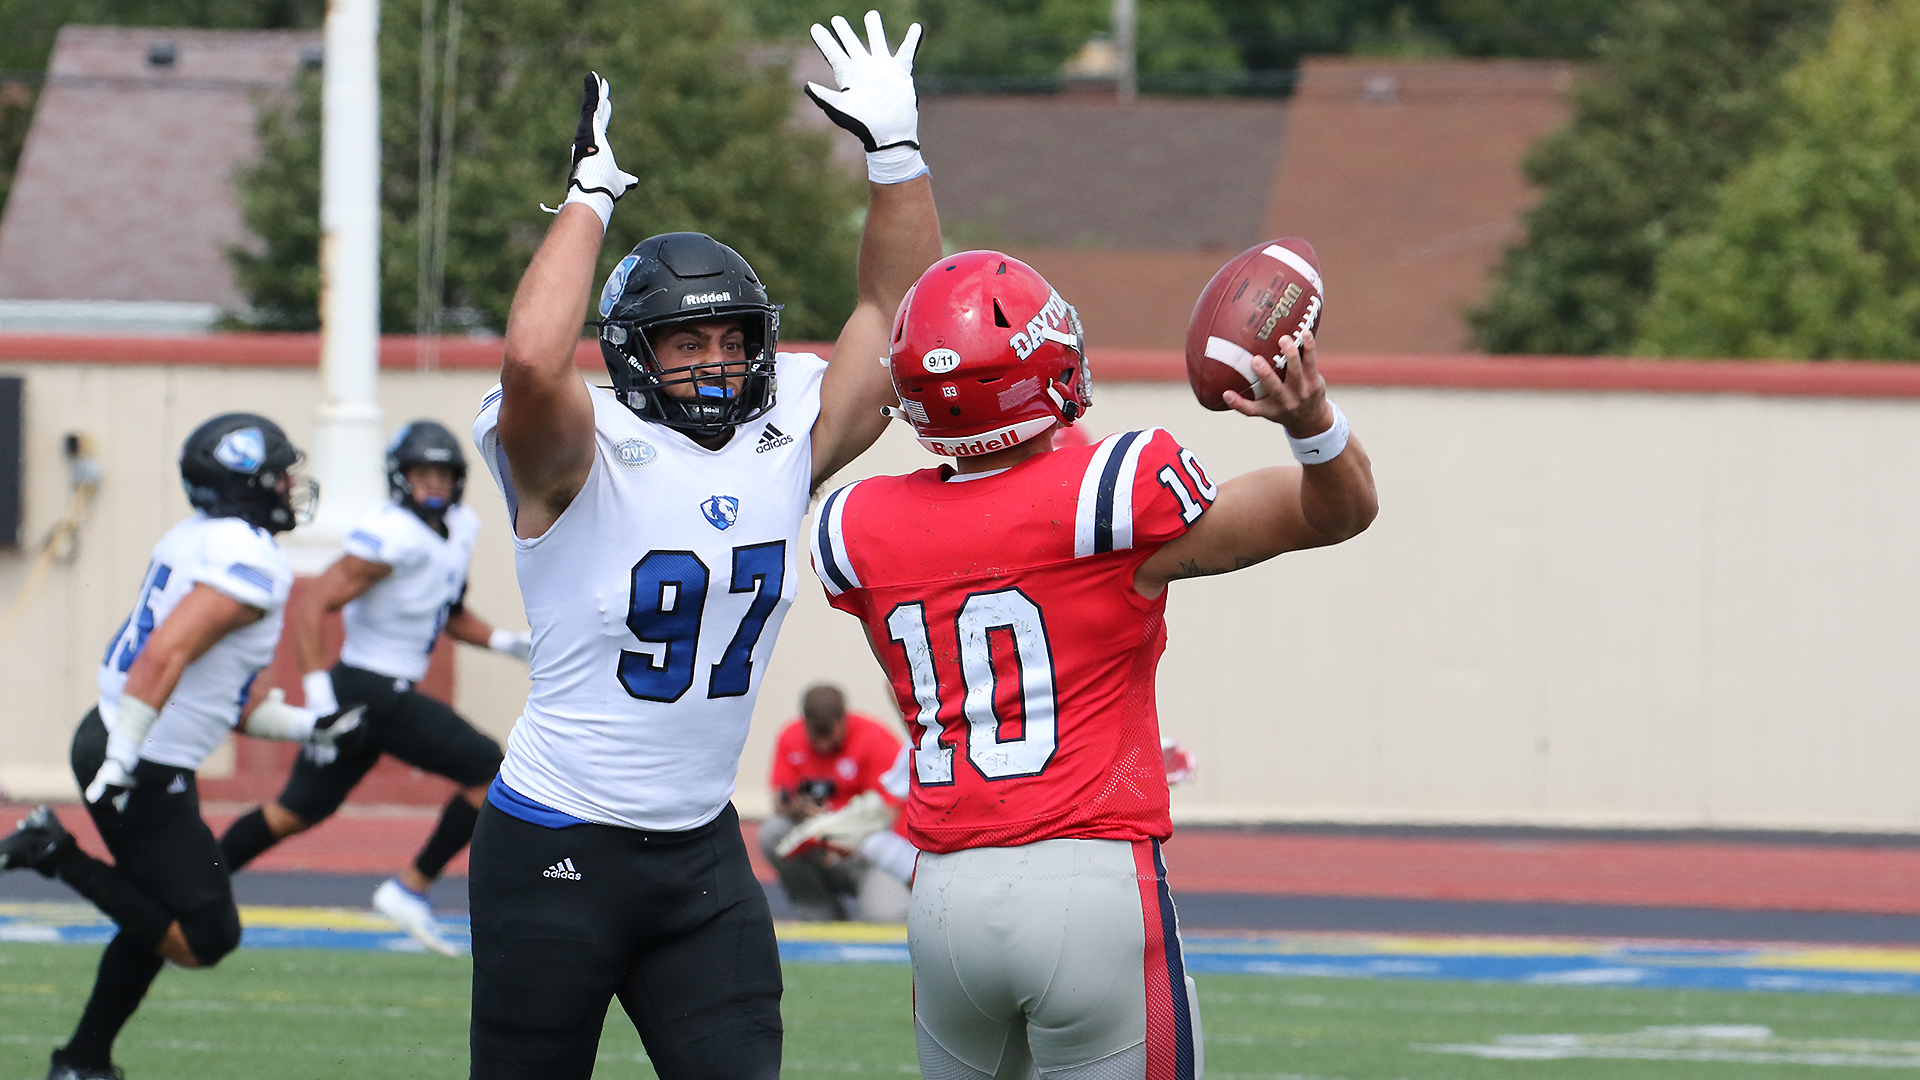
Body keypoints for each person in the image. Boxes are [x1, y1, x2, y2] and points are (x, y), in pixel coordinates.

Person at [464, 11, 941, 1077]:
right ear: (635, 354)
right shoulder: (579, 449)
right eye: (688, 340)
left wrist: (896, 156)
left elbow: (894, 310)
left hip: (699, 851)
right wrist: (589, 196)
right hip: (556, 838)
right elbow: (535, 362)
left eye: (733, 338)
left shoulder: (786, 435)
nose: (717, 362)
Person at [809, 251, 1378, 1080]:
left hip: (943, 899)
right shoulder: (1111, 493)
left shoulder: (855, 524)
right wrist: (1310, 416)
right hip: (1088, 876)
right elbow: (1335, 513)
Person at [0, 413, 367, 1080]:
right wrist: (124, 759)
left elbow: (216, 695)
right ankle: (52, 850)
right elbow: (164, 659)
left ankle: (83, 1061)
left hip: (127, 740)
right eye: (280, 475)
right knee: (206, 938)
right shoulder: (247, 559)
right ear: (249, 485)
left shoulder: (199, 539)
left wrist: (306, 728)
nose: (291, 487)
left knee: (154, 916)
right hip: (140, 758)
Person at [216, 420, 530, 956]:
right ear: (400, 478)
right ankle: (410, 887)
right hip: (367, 687)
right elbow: (315, 605)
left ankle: (198, 881)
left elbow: (446, 612)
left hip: (376, 693)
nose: (433, 484)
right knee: (489, 771)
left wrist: (505, 642)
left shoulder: (461, 527)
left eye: (442, 473)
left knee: (296, 813)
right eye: (421, 473)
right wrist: (318, 696)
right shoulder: (391, 534)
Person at [759, 684, 906, 921]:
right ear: (804, 723)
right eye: (816, 735)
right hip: (821, 845)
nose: (823, 745)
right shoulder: (790, 737)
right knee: (774, 832)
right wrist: (799, 809)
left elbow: (889, 812)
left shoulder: (875, 739)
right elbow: (780, 799)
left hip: (870, 851)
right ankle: (818, 912)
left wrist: (842, 832)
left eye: (828, 733)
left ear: (843, 720)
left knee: (886, 917)